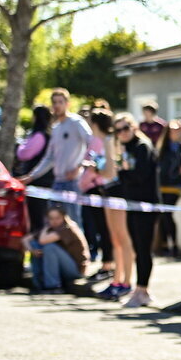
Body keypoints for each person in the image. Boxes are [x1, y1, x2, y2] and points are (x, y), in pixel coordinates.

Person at [19, 88, 90, 231]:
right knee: (53, 224)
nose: (57, 105)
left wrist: (80, 167)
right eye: (54, 102)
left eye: (60, 102)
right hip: (57, 182)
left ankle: (80, 253)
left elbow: (92, 143)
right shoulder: (56, 128)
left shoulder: (76, 122)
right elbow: (49, 157)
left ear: (67, 104)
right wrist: (31, 176)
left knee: (74, 224)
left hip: (73, 182)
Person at [111, 112, 160, 308]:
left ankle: (142, 289)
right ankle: (140, 289)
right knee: (137, 247)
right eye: (118, 130)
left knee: (143, 248)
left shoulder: (142, 147)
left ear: (134, 128)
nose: (122, 133)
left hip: (146, 205)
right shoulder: (126, 148)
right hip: (132, 204)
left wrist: (121, 172)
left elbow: (140, 175)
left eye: (125, 128)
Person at [95, 108, 135, 300]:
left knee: (123, 238)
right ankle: (117, 280)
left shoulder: (111, 141)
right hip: (109, 191)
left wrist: (96, 169)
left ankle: (126, 281)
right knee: (115, 239)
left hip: (118, 191)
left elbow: (110, 172)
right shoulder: (107, 142)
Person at [79, 107, 114, 281]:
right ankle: (107, 263)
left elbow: (102, 169)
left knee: (105, 229)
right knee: (102, 228)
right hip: (94, 187)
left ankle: (108, 264)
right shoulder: (97, 140)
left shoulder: (105, 141)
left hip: (100, 189)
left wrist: (87, 177)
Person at [24, 206, 88, 292]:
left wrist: (45, 229)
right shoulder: (51, 228)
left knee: (49, 247)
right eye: (51, 218)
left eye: (57, 218)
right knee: (34, 244)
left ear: (64, 217)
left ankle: (53, 286)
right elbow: (25, 240)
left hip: (75, 270)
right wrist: (32, 251)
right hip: (63, 267)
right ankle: (38, 284)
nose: (54, 221)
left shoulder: (67, 227)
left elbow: (42, 241)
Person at [14, 105, 54, 232]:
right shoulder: (49, 135)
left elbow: (24, 154)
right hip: (44, 181)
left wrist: (21, 146)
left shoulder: (39, 136)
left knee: (37, 218)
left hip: (37, 182)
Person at [155, 120, 181, 257]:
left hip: (175, 186)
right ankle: (164, 244)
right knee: (163, 215)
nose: (176, 132)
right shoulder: (163, 148)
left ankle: (173, 244)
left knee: (168, 214)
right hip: (163, 185)